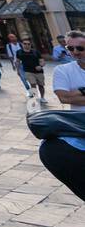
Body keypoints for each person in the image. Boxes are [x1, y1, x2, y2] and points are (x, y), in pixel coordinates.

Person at [43, 30, 85, 200]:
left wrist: (78, 93)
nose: (75, 52)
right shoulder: (63, 70)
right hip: (79, 124)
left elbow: (71, 96)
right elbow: (64, 97)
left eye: (80, 48)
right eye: (71, 48)